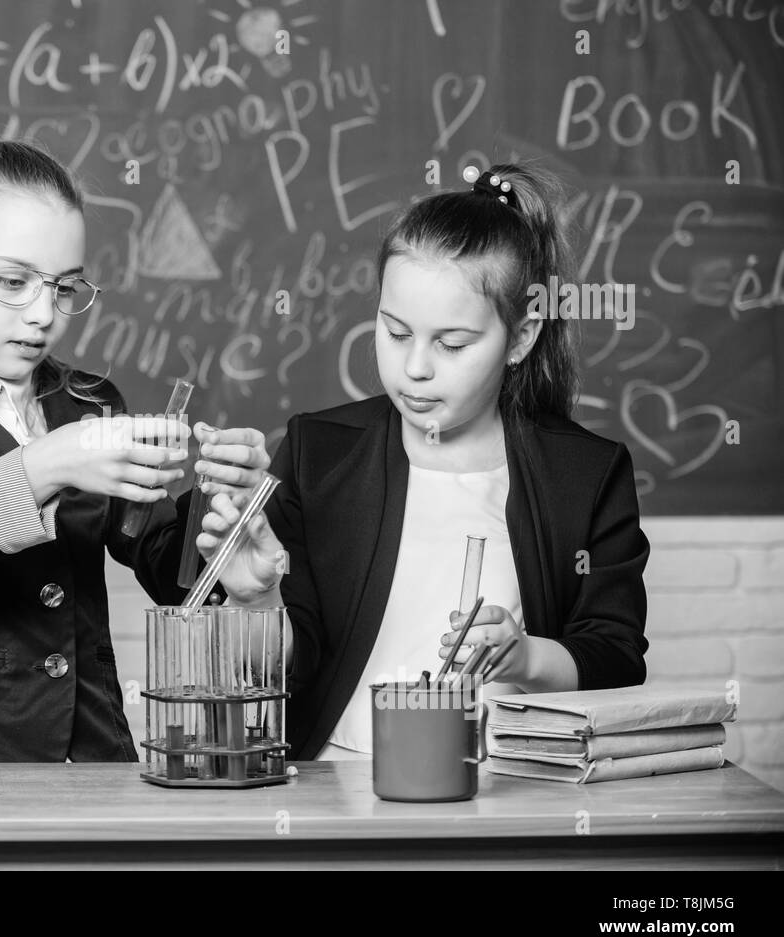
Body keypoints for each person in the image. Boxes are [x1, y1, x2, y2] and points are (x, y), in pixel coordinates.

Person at [0, 136, 270, 762]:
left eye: (65, 288)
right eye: (12, 281)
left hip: (91, 762)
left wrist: (218, 518)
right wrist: (46, 464)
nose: (44, 314)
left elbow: (169, 571)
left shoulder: (86, 402)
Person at [199, 163, 650, 761]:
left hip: (506, 792)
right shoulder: (320, 451)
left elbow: (616, 653)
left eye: (452, 344)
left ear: (521, 338)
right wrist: (257, 604)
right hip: (337, 786)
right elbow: (290, 665)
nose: (415, 368)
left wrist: (526, 656)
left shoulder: (586, 475)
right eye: (394, 331)